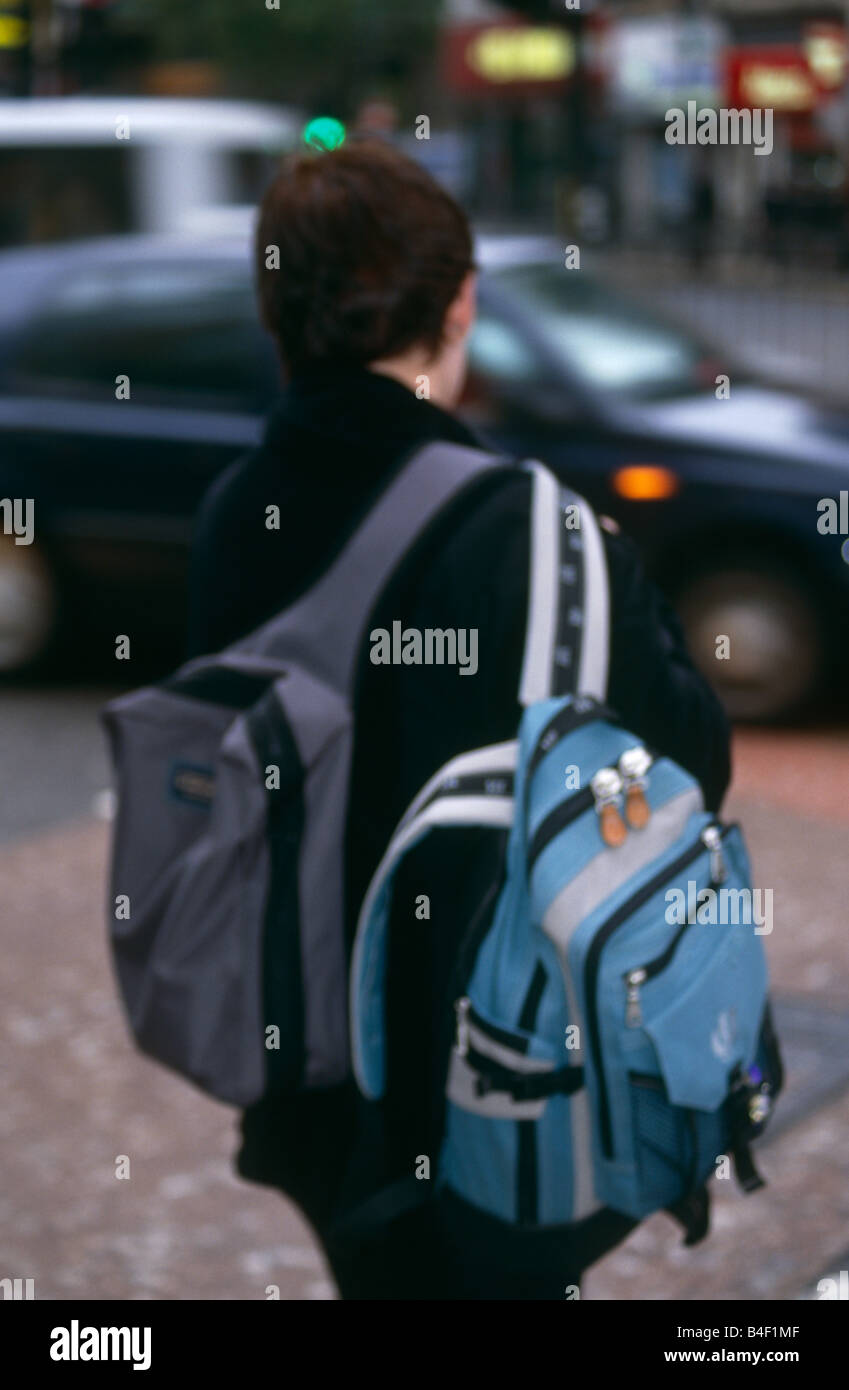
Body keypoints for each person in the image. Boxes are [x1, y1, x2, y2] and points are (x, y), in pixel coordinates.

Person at [187, 139, 731, 1300]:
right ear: (462, 303)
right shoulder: (534, 529)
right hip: (495, 1073)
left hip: (310, 1058)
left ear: (275, 311)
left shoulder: (235, 513)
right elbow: (692, 767)